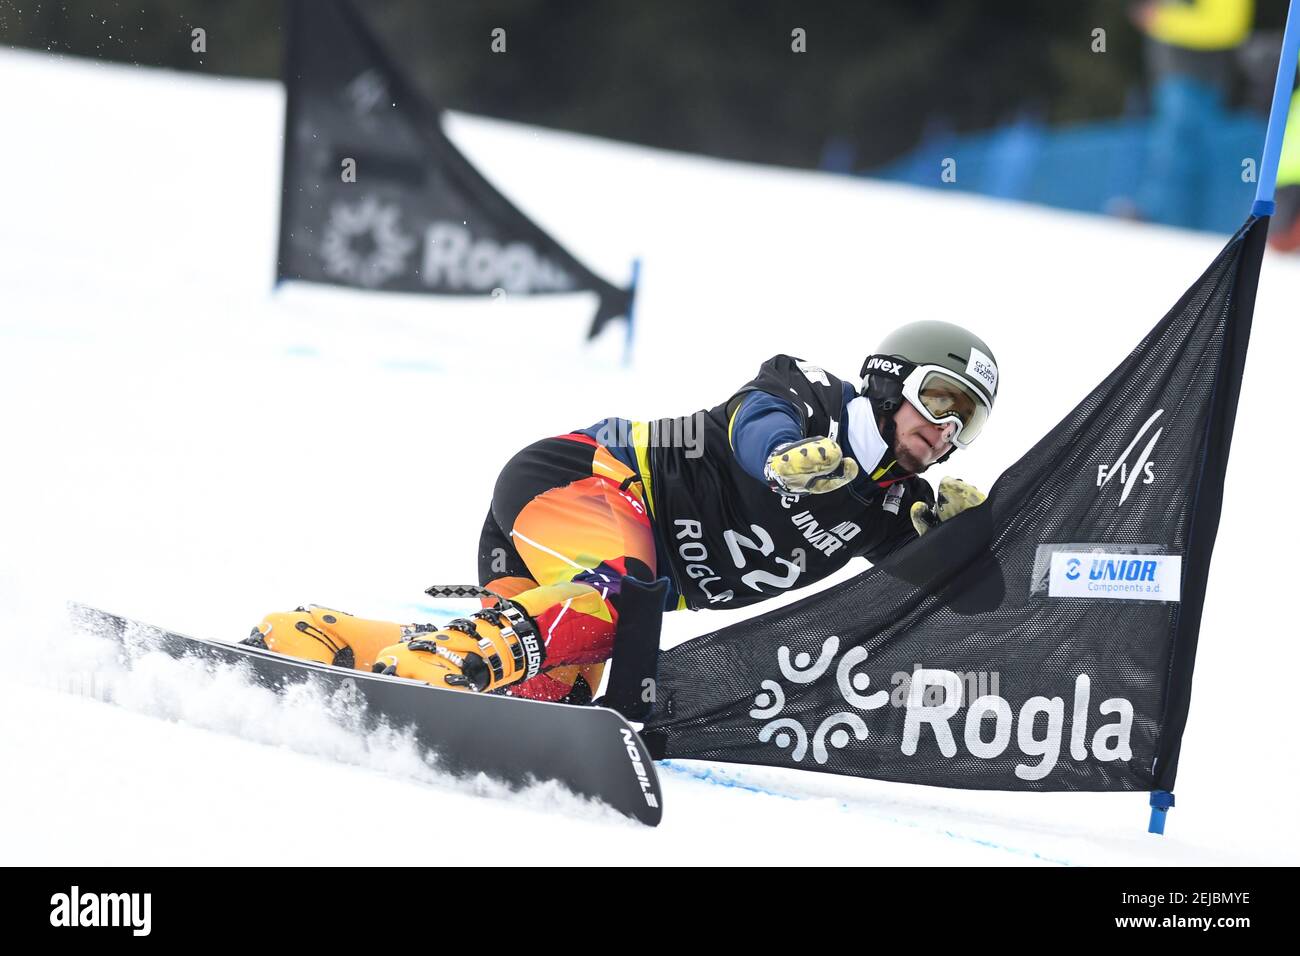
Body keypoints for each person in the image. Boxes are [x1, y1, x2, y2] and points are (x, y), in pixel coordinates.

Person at [246, 321, 998, 703]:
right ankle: (443, 662)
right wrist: (778, 457)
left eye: (969, 422)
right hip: (580, 482)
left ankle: (325, 638)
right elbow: (753, 421)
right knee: (626, 596)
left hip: (591, 586)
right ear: (891, 380)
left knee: (549, 700)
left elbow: (980, 605)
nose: (946, 432)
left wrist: (964, 543)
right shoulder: (816, 394)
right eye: (941, 400)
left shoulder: (898, 509)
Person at [1131, 0, 1255, 228]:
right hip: (1178, 76)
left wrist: (1163, 19)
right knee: (1179, 146)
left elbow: (1227, 26)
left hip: (1198, 79)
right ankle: (1171, 217)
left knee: (1180, 147)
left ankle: (1163, 215)